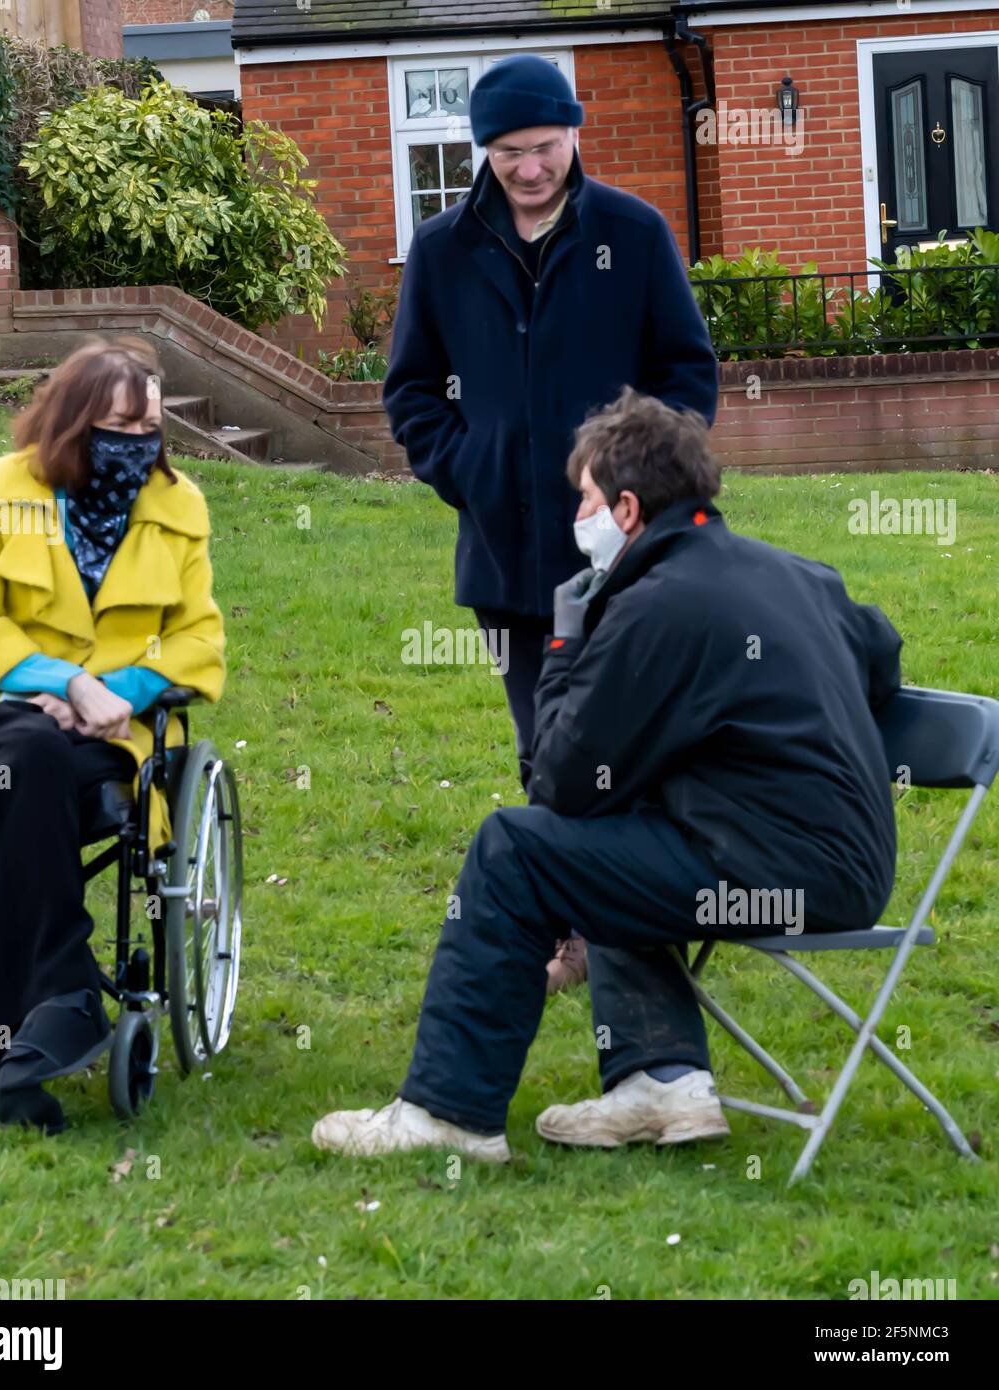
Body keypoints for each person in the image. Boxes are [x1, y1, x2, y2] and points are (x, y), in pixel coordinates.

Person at [312, 388, 901, 1161]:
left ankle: (448, 1115)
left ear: (626, 510)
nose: (575, 517)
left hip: (778, 876)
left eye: (583, 498)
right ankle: (661, 1082)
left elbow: (558, 779)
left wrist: (564, 641)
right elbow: (880, 651)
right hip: (849, 862)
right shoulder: (796, 573)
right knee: (616, 825)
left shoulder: (657, 604)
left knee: (518, 849)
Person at [382, 53, 720, 993]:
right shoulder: (443, 252)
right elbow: (411, 390)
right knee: (550, 747)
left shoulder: (634, 234)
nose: (528, 170)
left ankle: (649, 918)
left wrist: (644, 494)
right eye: (506, 153)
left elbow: (689, 376)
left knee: (648, 735)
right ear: (482, 151)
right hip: (511, 553)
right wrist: (468, 470)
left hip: (635, 550)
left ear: (575, 133)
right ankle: (573, 932)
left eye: (543, 147)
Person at [0, 337, 226, 1134]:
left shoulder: (178, 507)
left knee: (40, 763)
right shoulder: (3, 491)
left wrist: (109, 692)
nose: (139, 447)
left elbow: (197, 642)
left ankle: (14, 1050)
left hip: (106, 735)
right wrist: (60, 682)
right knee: (27, 751)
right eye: (121, 428)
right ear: (73, 425)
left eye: (150, 428)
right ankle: (62, 1004)